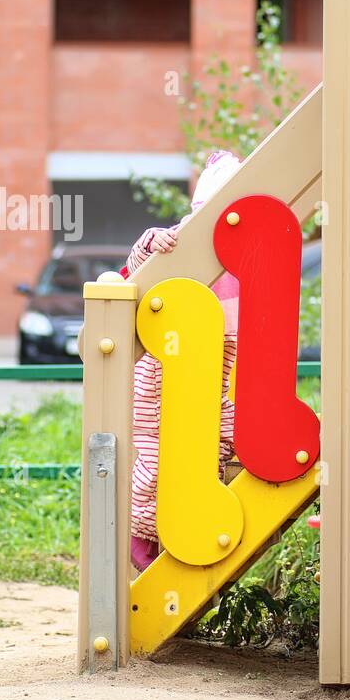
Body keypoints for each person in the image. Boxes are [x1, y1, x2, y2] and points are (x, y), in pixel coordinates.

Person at [122, 151, 242, 571]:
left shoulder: (243, 251)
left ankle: (183, 527)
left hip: (212, 368)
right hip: (163, 367)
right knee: (156, 459)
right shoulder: (180, 239)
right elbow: (132, 274)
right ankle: (140, 532)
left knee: (212, 443)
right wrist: (149, 244)